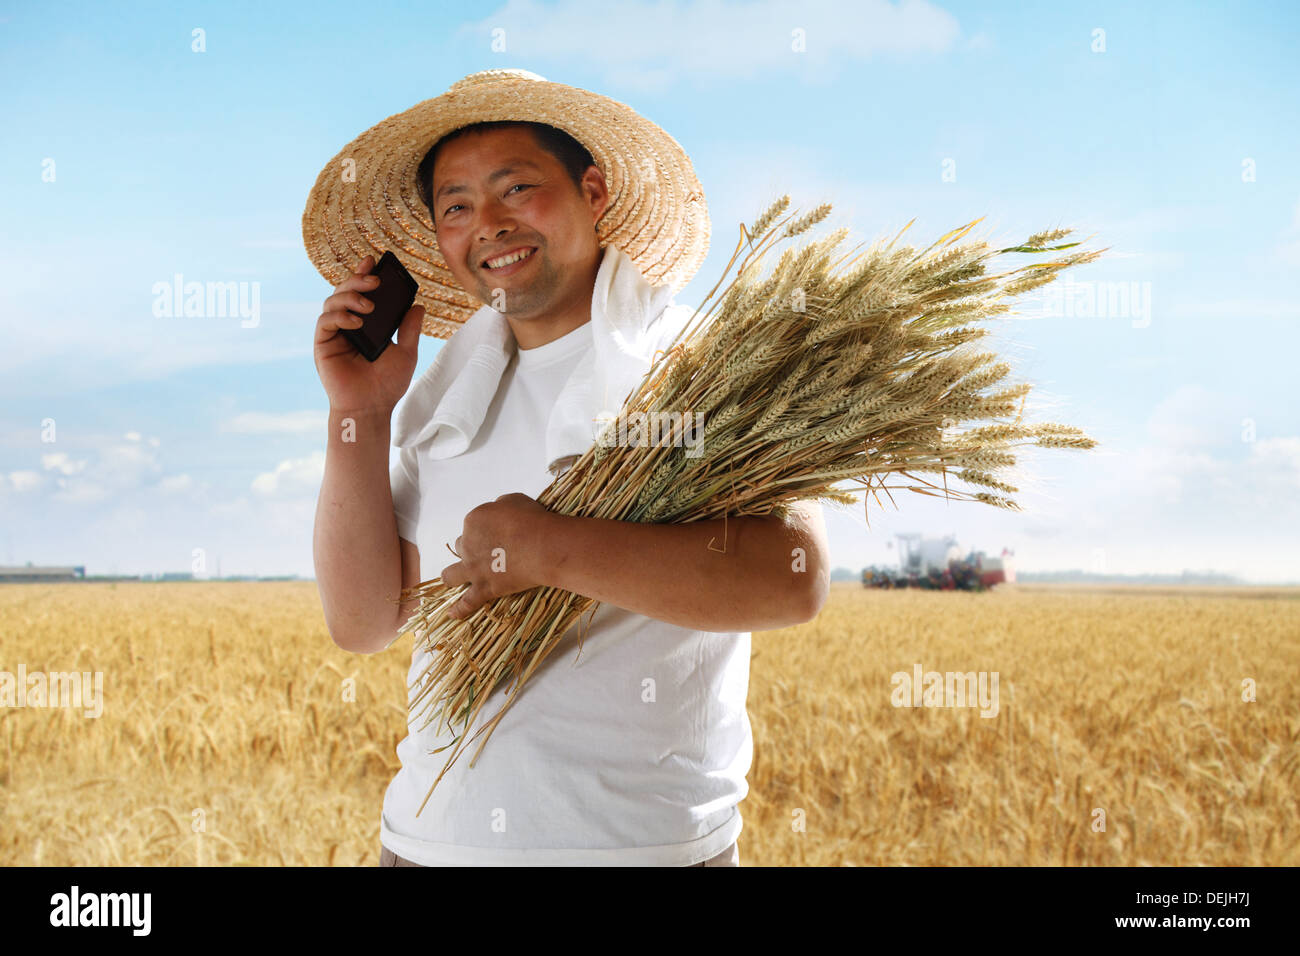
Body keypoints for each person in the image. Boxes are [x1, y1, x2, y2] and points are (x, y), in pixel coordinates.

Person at [305, 70, 829, 867]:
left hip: (644, 851)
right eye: (456, 206)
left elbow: (794, 578)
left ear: (593, 190)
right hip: (425, 847)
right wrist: (360, 412)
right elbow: (364, 621)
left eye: (517, 187)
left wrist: (550, 549)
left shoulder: (699, 366)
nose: (489, 224)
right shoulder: (445, 398)